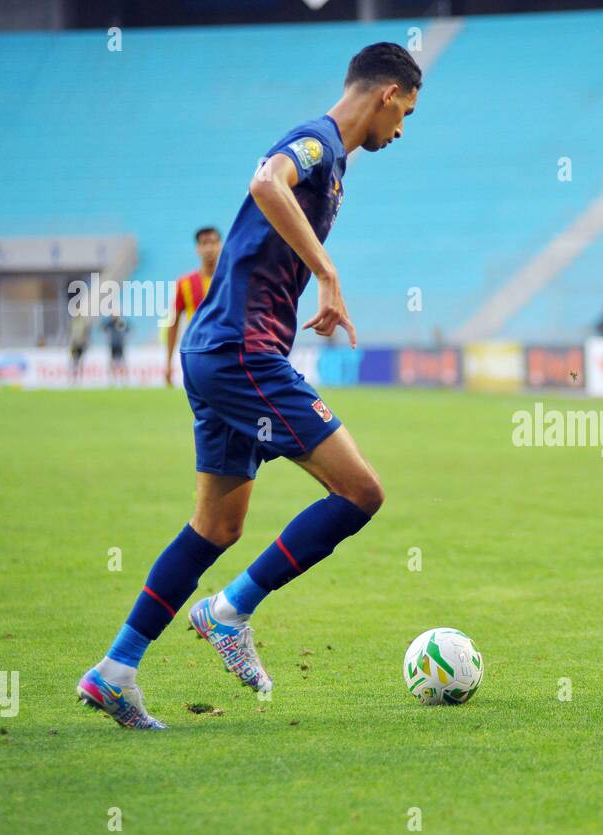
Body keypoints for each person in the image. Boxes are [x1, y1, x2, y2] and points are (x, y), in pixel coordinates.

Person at [77, 42, 422, 729]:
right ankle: (229, 609)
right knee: (362, 491)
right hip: (242, 353)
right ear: (386, 94)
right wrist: (326, 272)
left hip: (216, 351)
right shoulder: (317, 143)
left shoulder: (334, 160)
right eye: (405, 112)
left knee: (217, 525)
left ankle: (114, 670)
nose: (402, 130)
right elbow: (266, 183)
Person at [164, 227, 222, 386]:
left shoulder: (230, 280)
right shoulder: (185, 283)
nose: (209, 248)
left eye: (213, 242)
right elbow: (173, 322)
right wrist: (168, 362)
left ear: (221, 246)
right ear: (198, 249)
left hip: (225, 353)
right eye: (204, 243)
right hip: (196, 353)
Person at [103, 313, 131, 385]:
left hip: (120, 344)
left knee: (122, 363)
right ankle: (113, 380)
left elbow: (128, 329)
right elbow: (104, 327)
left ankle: (123, 379)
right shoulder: (111, 323)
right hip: (113, 344)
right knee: (112, 363)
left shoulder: (121, 322)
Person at [68, 311, 91, 385]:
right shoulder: (72, 322)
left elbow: (85, 333)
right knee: (74, 362)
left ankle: (80, 379)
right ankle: (74, 379)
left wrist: (85, 342)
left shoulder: (83, 322)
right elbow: (70, 333)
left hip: (80, 344)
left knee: (80, 362)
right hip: (74, 344)